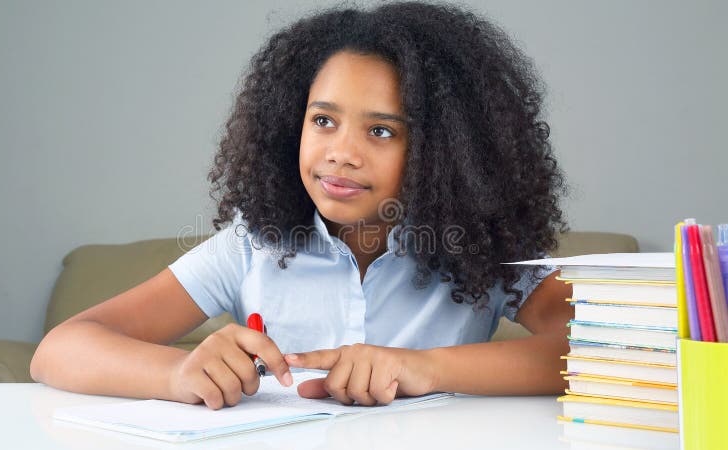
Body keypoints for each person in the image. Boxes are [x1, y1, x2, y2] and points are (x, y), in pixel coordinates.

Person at [30, 1, 573, 410]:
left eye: (381, 131)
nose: (342, 154)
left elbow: (608, 352)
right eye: (323, 121)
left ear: (448, 153)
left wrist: (423, 368)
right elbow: (60, 349)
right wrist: (178, 373)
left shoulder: (480, 248)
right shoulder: (252, 245)